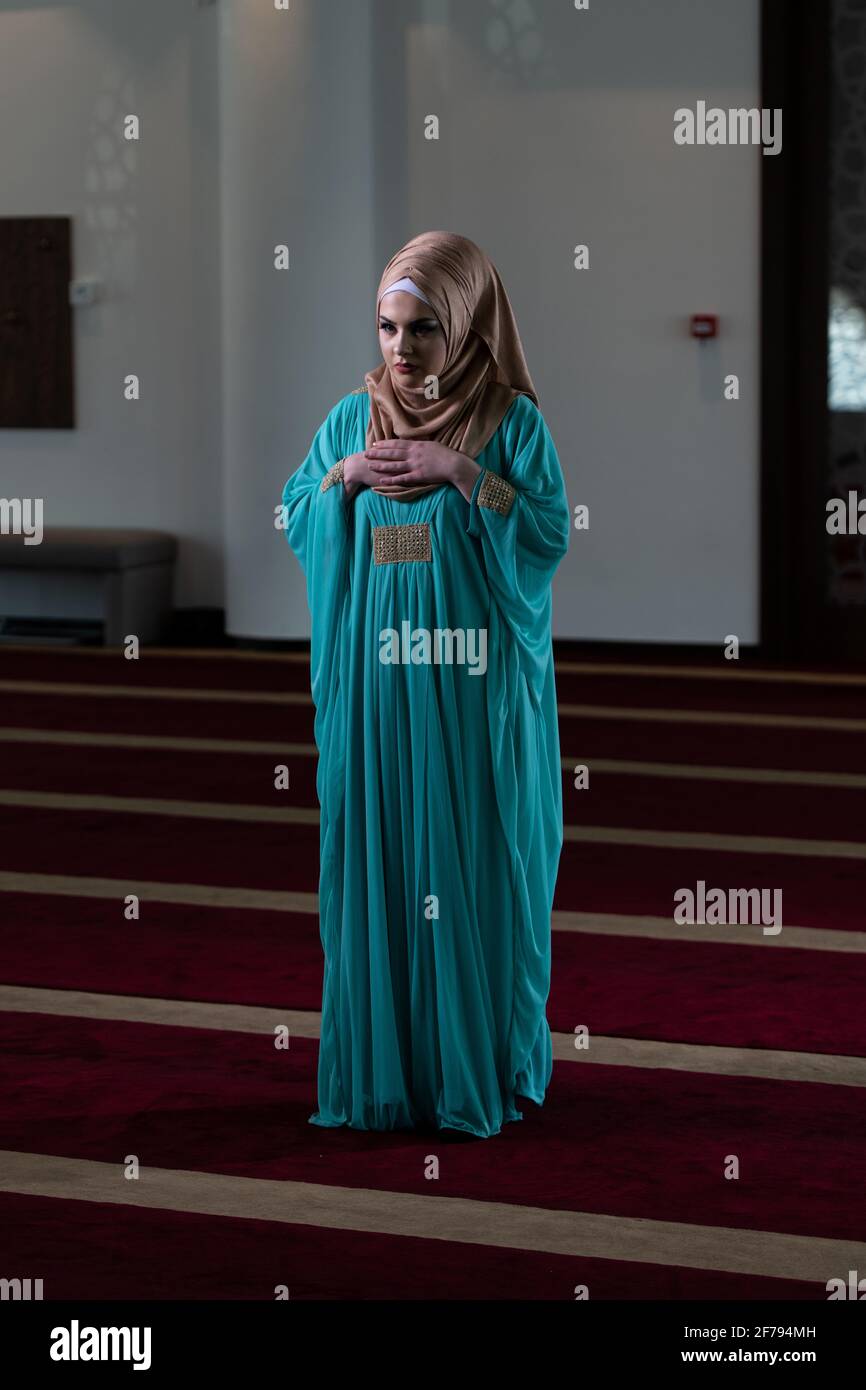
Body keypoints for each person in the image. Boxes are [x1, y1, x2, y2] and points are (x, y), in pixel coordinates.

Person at [280, 230, 570, 1138]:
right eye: (387, 328)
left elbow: (547, 534)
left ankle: (469, 1071)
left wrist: (462, 471)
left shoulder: (509, 423)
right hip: (376, 689)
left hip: (466, 686)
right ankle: (385, 1077)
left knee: (471, 861)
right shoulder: (351, 418)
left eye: (423, 331)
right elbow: (296, 511)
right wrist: (344, 478)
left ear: (468, 329)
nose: (401, 351)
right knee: (382, 860)